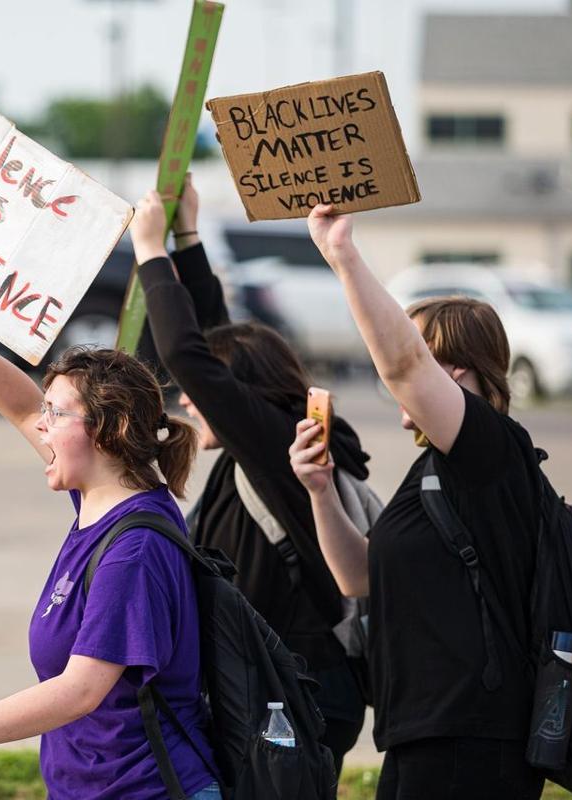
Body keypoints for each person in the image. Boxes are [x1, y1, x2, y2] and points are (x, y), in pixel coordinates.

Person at [0, 279, 220, 800]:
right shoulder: (107, 498)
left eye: (57, 414)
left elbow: (81, 690)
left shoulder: (133, 551)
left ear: (110, 430)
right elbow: (20, 406)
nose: (42, 425)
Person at [289, 204, 550, 799]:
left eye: (421, 363)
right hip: (422, 732)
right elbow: (358, 577)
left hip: (473, 738)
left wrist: (341, 254)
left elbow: (404, 363)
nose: (397, 389)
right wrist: (321, 491)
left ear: (453, 374)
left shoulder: (489, 449)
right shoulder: (436, 468)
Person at [131, 178, 369, 774]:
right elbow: (215, 341)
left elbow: (191, 357)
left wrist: (151, 252)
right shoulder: (262, 448)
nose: (187, 401)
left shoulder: (279, 446)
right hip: (276, 686)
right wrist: (188, 235)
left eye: (201, 392)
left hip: (294, 693)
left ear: (241, 393)